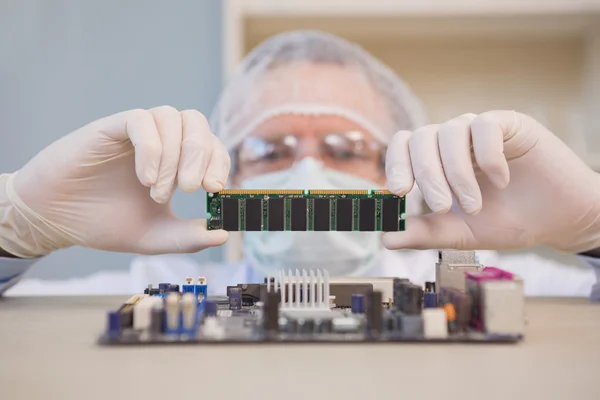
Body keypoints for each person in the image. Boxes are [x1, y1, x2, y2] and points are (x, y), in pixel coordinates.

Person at [1, 31, 599, 298]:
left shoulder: (488, 287)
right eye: (271, 151)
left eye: (344, 150)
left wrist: (595, 229)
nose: (308, 175)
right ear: (226, 174)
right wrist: (15, 230)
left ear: (401, 168)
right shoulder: (159, 294)